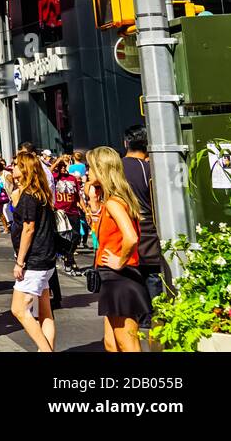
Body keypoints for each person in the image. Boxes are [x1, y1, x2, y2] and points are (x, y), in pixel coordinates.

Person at [87, 146, 152, 352]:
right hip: (114, 278)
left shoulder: (115, 202)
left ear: (101, 169)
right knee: (112, 343)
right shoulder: (113, 201)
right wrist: (94, 204)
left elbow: (131, 238)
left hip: (119, 277)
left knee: (127, 344)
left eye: (91, 168)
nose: (87, 173)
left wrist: (120, 260)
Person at [10, 151, 58, 352]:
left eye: (16, 164)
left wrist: (20, 262)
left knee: (19, 309)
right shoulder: (41, 193)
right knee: (45, 311)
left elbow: (28, 229)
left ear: (24, 168)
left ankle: (45, 350)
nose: (13, 168)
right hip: (46, 258)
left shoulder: (29, 195)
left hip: (35, 260)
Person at [120, 125, 166, 330]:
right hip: (149, 227)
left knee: (132, 273)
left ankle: (138, 314)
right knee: (153, 275)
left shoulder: (117, 168)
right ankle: (154, 316)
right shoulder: (150, 168)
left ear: (126, 143)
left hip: (124, 227)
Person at [51, 156, 84, 275]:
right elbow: (48, 173)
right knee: (64, 237)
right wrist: (57, 162)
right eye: (61, 167)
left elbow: (78, 196)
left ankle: (68, 257)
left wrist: (86, 210)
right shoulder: (53, 177)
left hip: (73, 211)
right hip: (60, 211)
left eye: (65, 166)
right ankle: (70, 261)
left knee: (76, 236)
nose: (64, 168)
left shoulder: (72, 178)